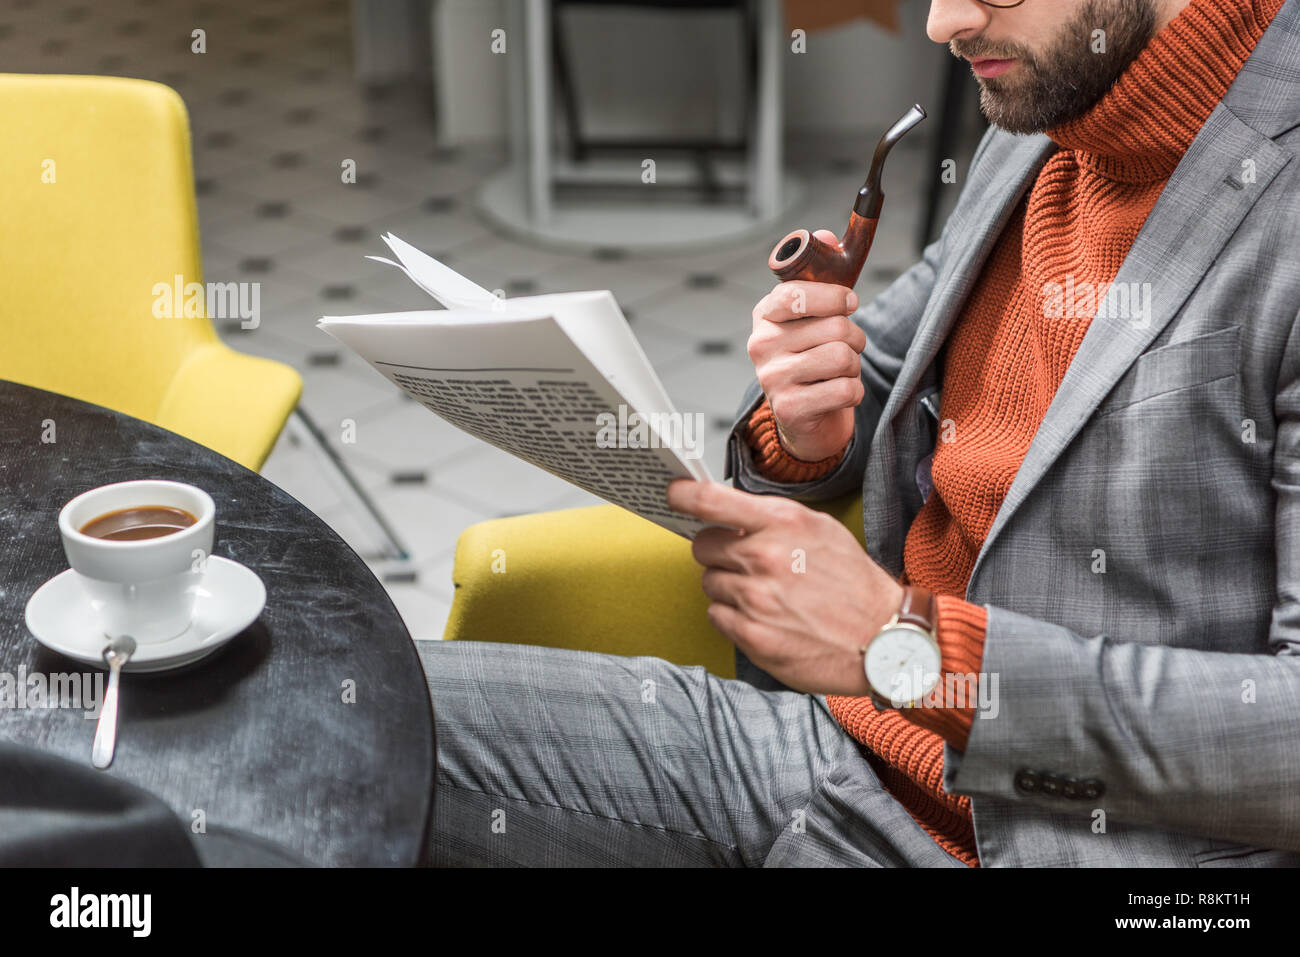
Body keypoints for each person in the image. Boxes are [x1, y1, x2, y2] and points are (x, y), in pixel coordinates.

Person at [421, 0, 1300, 867]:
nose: (943, 22)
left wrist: (910, 649)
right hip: (833, 760)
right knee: (339, 699)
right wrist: (803, 429)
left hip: (1096, 852)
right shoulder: (1054, 102)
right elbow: (884, 362)